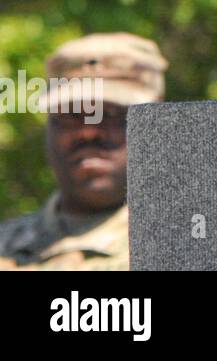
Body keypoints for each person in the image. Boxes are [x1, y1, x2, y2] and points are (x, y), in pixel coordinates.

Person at [0, 32, 168, 270]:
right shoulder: (5, 248)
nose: (88, 132)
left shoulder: (192, 248)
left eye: (110, 113)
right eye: (71, 114)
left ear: (161, 123)